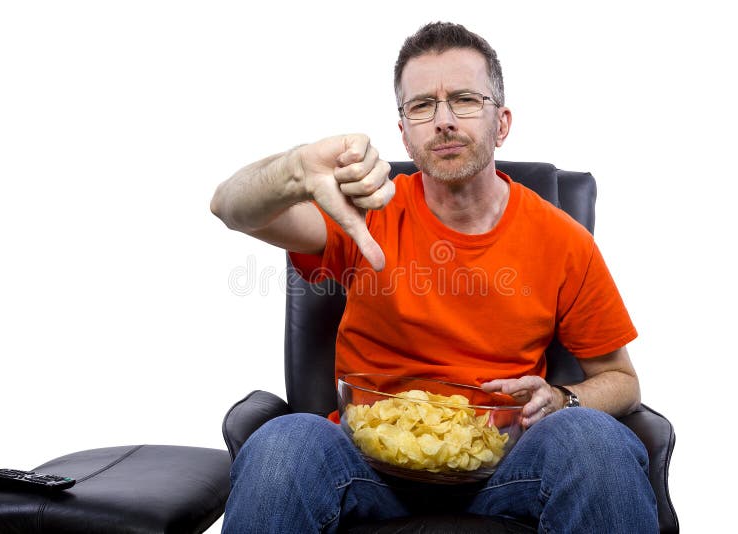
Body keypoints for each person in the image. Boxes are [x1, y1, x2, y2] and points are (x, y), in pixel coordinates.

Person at [212, 22, 657, 533]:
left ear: (502, 121)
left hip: (507, 467)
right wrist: (294, 169)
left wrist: (562, 398)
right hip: (361, 464)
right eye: (422, 105)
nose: (443, 120)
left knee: (593, 441)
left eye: (464, 99)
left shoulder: (563, 240)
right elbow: (230, 207)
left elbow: (622, 381)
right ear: (404, 130)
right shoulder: (363, 213)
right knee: (282, 443)